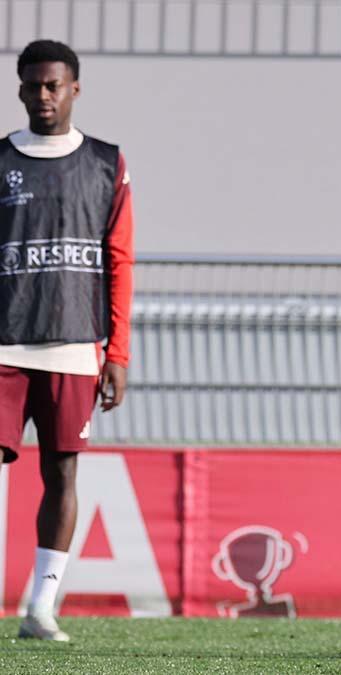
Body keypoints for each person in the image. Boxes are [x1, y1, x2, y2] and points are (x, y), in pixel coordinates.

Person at [0, 39, 134, 642]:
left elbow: (120, 260)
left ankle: (40, 609)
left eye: (54, 85)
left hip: (76, 347)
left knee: (63, 475)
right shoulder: (1, 159)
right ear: (21, 88)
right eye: (33, 85)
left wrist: (117, 353)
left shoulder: (107, 161)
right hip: (3, 346)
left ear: (74, 88)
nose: (43, 95)